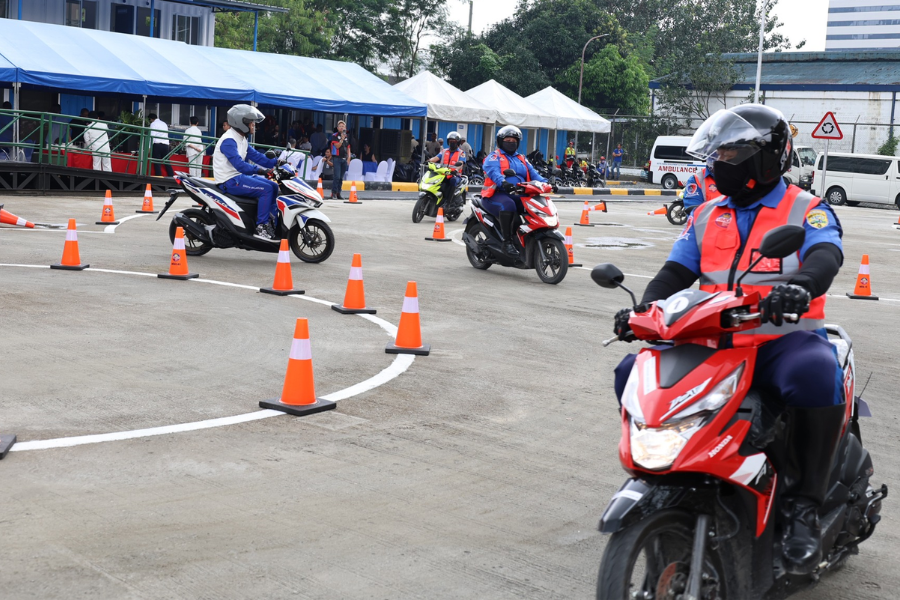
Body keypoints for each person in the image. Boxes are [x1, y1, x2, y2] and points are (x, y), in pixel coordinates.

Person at [611, 104, 845, 575]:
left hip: (780, 338)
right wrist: (643, 309)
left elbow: (825, 254)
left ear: (766, 157)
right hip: (714, 338)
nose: (722, 161)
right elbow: (676, 272)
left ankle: (803, 506)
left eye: (733, 151)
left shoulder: (805, 208)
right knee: (633, 371)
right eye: (718, 152)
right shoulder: (706, 214)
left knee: (815, 374)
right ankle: (664, 473)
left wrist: (800, 285)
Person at [212, 104, 279, 240]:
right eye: (251, 123)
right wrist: (261, 170)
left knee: (274, 186)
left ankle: (271, 222)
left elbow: (257, 157)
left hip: (238, 177)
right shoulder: (229, 140)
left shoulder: (241, 138)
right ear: (240, 123)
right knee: (266, 189)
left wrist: (277, 162)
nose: (254, 125)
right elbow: (240, 165)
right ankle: (261, 227)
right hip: (229, 180)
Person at [481, 125, 547, 257]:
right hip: (496, 195)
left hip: (519, 194)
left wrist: (546, 183)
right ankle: (507, 242)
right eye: (508, 140)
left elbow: (534, 174)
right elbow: (494, 173)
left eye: (514, 141)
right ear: (500, 141)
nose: (511, 143)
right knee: (509, 205)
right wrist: (504, 183)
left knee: (538, 205)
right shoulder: (494, 157)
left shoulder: (522, 158)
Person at [428, 131, 466, 207]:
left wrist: (456, 170)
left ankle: (448, 202)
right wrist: (428, 161)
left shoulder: (461, 153)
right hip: (443, 174)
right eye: (450, 141)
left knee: (453, 181)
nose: (452, 143)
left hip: (455, 175)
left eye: (454, 141)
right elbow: (436, 158)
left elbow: (461, 163)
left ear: (457, 142)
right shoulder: (444, 151)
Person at [328, 120, 351, 200]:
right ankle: (333, 193)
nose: (342, 127)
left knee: (341, 177)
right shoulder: (335, 135)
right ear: (337, 128)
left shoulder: (346, 137)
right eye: (340, 126)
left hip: (344, 159)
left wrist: (349, 157)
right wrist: (341, 139)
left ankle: (338, 193)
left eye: (343, 126)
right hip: (337, 158)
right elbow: (337, 146)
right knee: (337, 176)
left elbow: (348, 147)